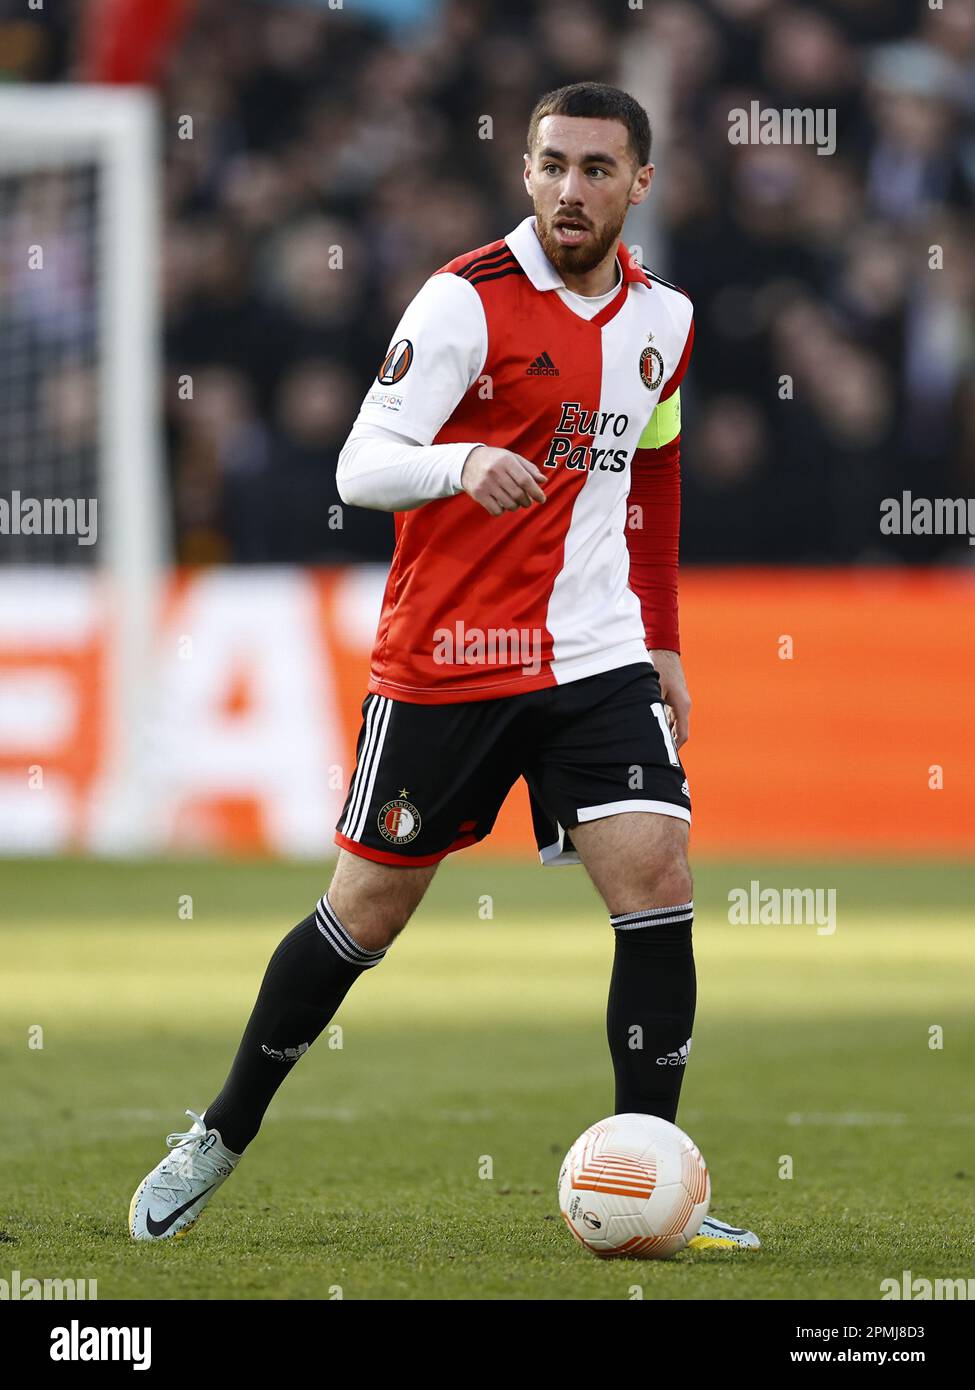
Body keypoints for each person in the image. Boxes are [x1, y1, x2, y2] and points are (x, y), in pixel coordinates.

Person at [130, 81, 759, 1253]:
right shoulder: (465, 302)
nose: (571, 190)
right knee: (365, 912)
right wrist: (459, 462)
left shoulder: (664, 321)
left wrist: (662, 631)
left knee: (658, 877)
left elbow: (657, 466)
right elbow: (359, 465)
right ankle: (221, 1129)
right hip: (451, 661)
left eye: (596, 169)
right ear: (525, 173)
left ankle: (649, 1171)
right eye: (553, 165)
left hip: (594, 653)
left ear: (641, 184)